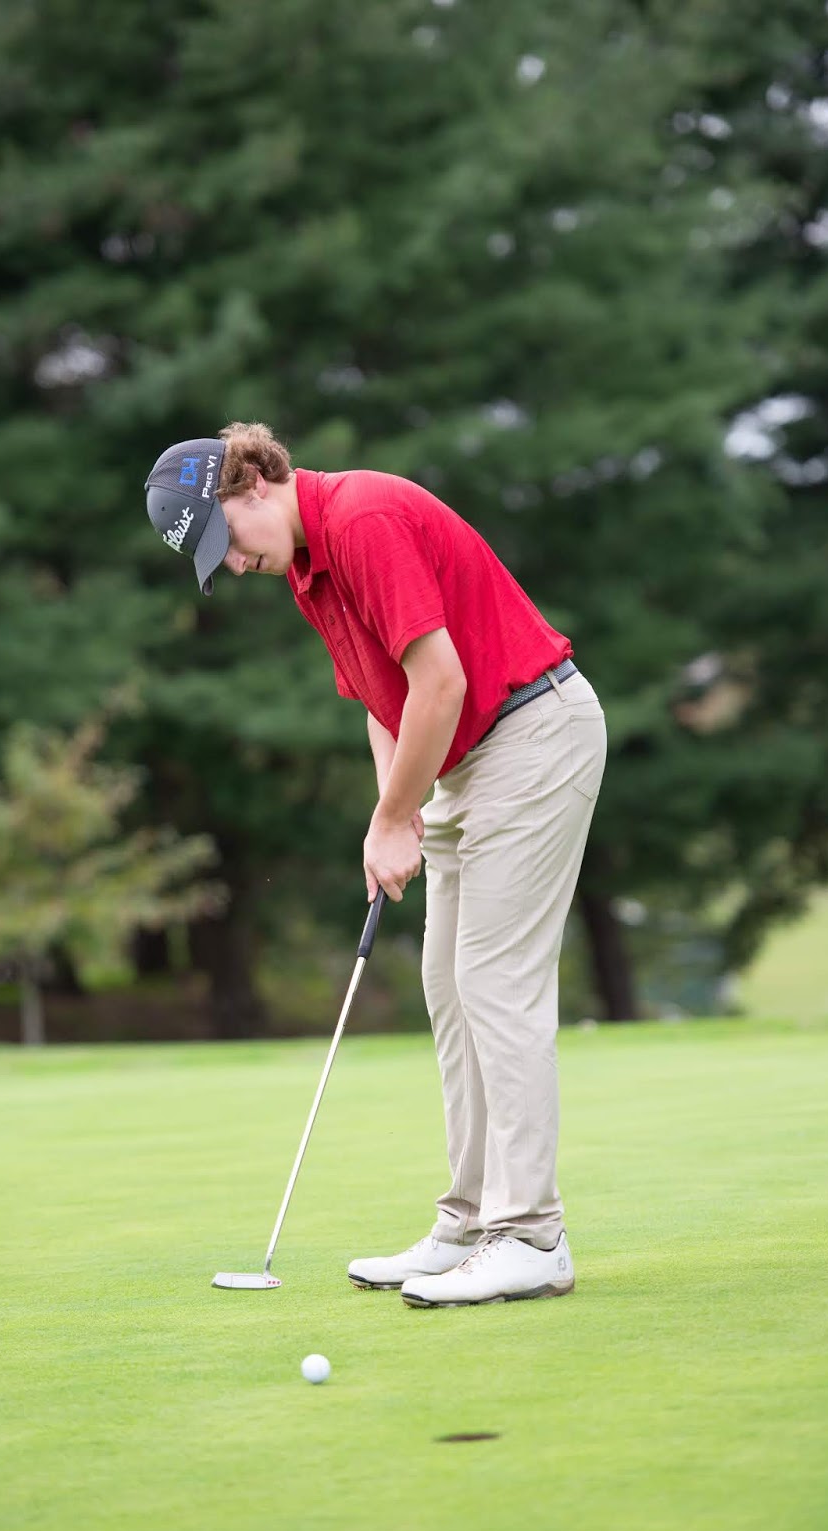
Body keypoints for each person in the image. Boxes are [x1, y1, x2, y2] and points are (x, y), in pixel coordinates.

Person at [145, 422, 607, 1307]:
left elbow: (442, 682)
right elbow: (381, 699)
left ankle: (531, 1236)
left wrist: (400, 815)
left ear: (251, 485)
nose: (233, 566)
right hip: (470, 759)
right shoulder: (309, 571)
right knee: (448, 985)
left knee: (494, 980)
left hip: (534, 733)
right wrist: (387, 814)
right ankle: (469, 1223)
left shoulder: (361, 519)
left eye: (225, 541)